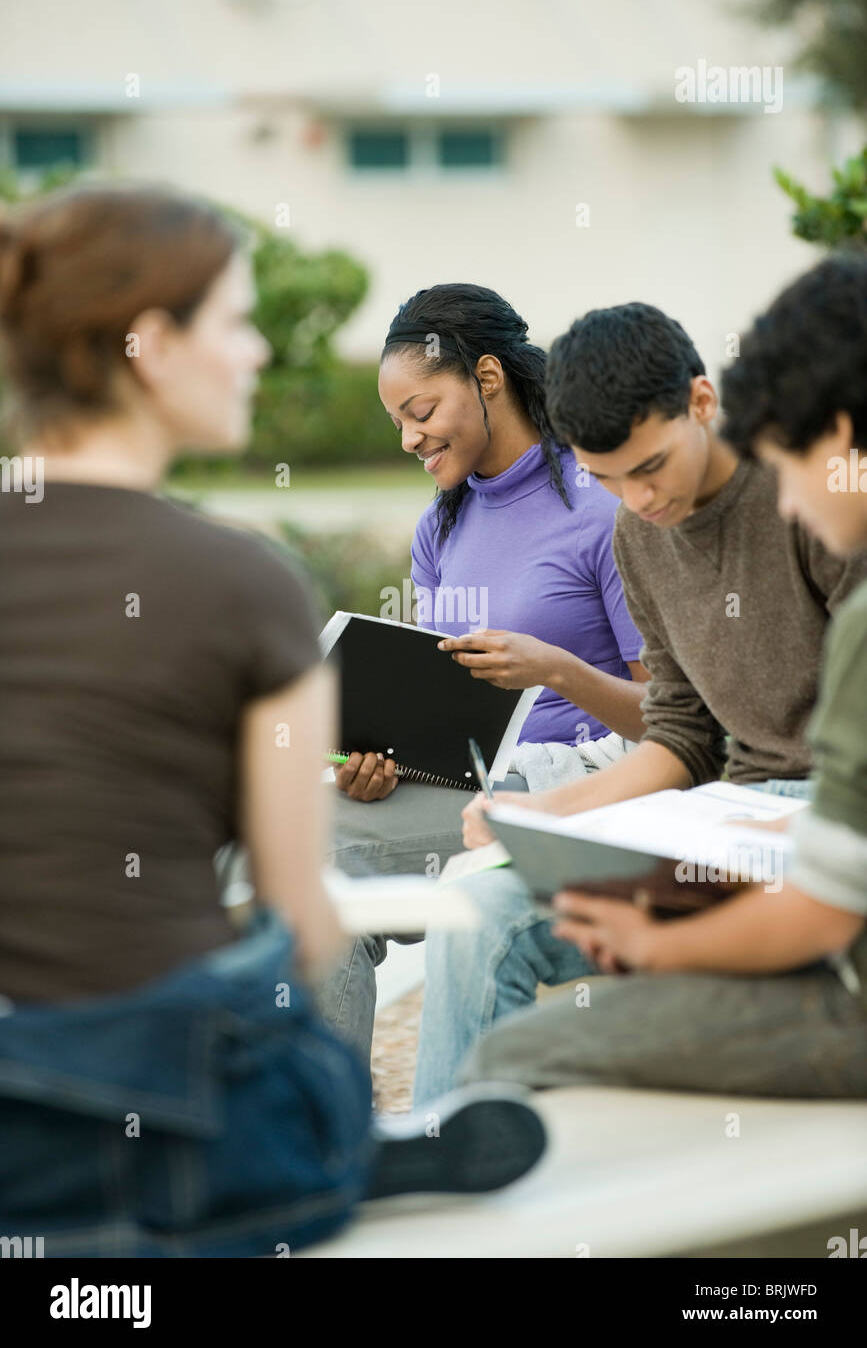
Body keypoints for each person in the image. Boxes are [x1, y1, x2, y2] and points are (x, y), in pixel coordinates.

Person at [0, 184, 545, 1258]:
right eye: (238, 323)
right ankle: (358, 1155)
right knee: (295, 1062)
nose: (257, 354)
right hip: (184, 1099)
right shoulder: (244, 584)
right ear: (152, 345)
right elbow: (300, 911)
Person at [414, 300, 867, 1105]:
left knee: (557, 1035)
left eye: (649, 466)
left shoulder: (810, 500)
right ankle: (444, 1153)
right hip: (725, 813)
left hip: (816, 822)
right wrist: (545, 815)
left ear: (700, 402)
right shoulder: (634, 533)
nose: (637, 498)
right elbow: (681, 733)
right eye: (603, 477)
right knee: (477, 907)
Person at [317, 283, 647, 1060]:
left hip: (584, 786)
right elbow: (439, 705)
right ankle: (330, 1134)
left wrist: (556, 670)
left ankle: (329, 1144)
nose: (407, 439)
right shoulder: (441, 525)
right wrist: (376, 762)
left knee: (315, 857)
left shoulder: (602, 511)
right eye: (396, 421)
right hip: (467, 783)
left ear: (487, 379)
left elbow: (674, 721)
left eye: (421, 412)